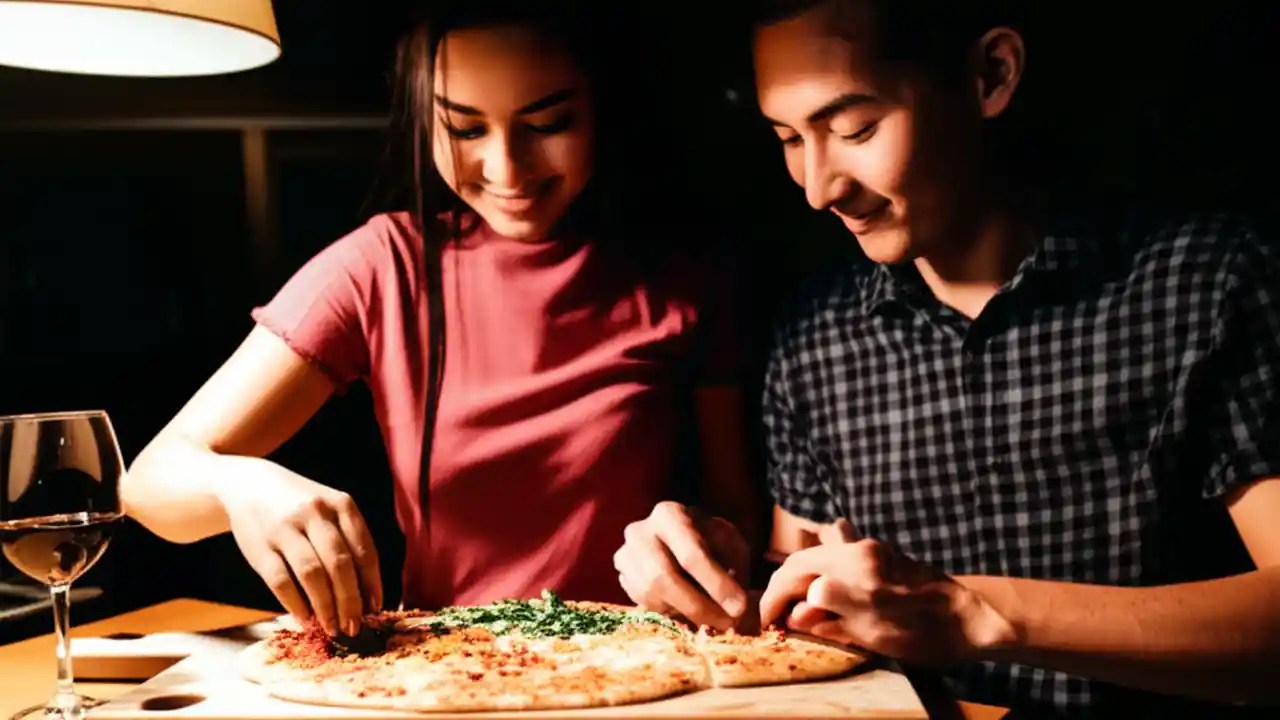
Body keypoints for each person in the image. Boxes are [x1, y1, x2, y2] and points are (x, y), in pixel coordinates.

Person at [614, 0, 1280, 716]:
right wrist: (719, 570)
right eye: (787, 137)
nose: (818, 187)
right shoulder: (816, 333)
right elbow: (804, 596)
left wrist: (976, 613)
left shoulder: (1208, 281)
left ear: (990, 75)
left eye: (854, 129)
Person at [122, 0, 758, 641]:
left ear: (602, 111)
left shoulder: (687, 276)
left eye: (548, 123)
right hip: (448, 669)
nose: (507, 169)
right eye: (465, 129)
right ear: (424, 123)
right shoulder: (382, 267)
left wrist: (706, 541)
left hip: (645, 660)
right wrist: (241, 485)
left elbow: (739, 513)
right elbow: (149, 488)